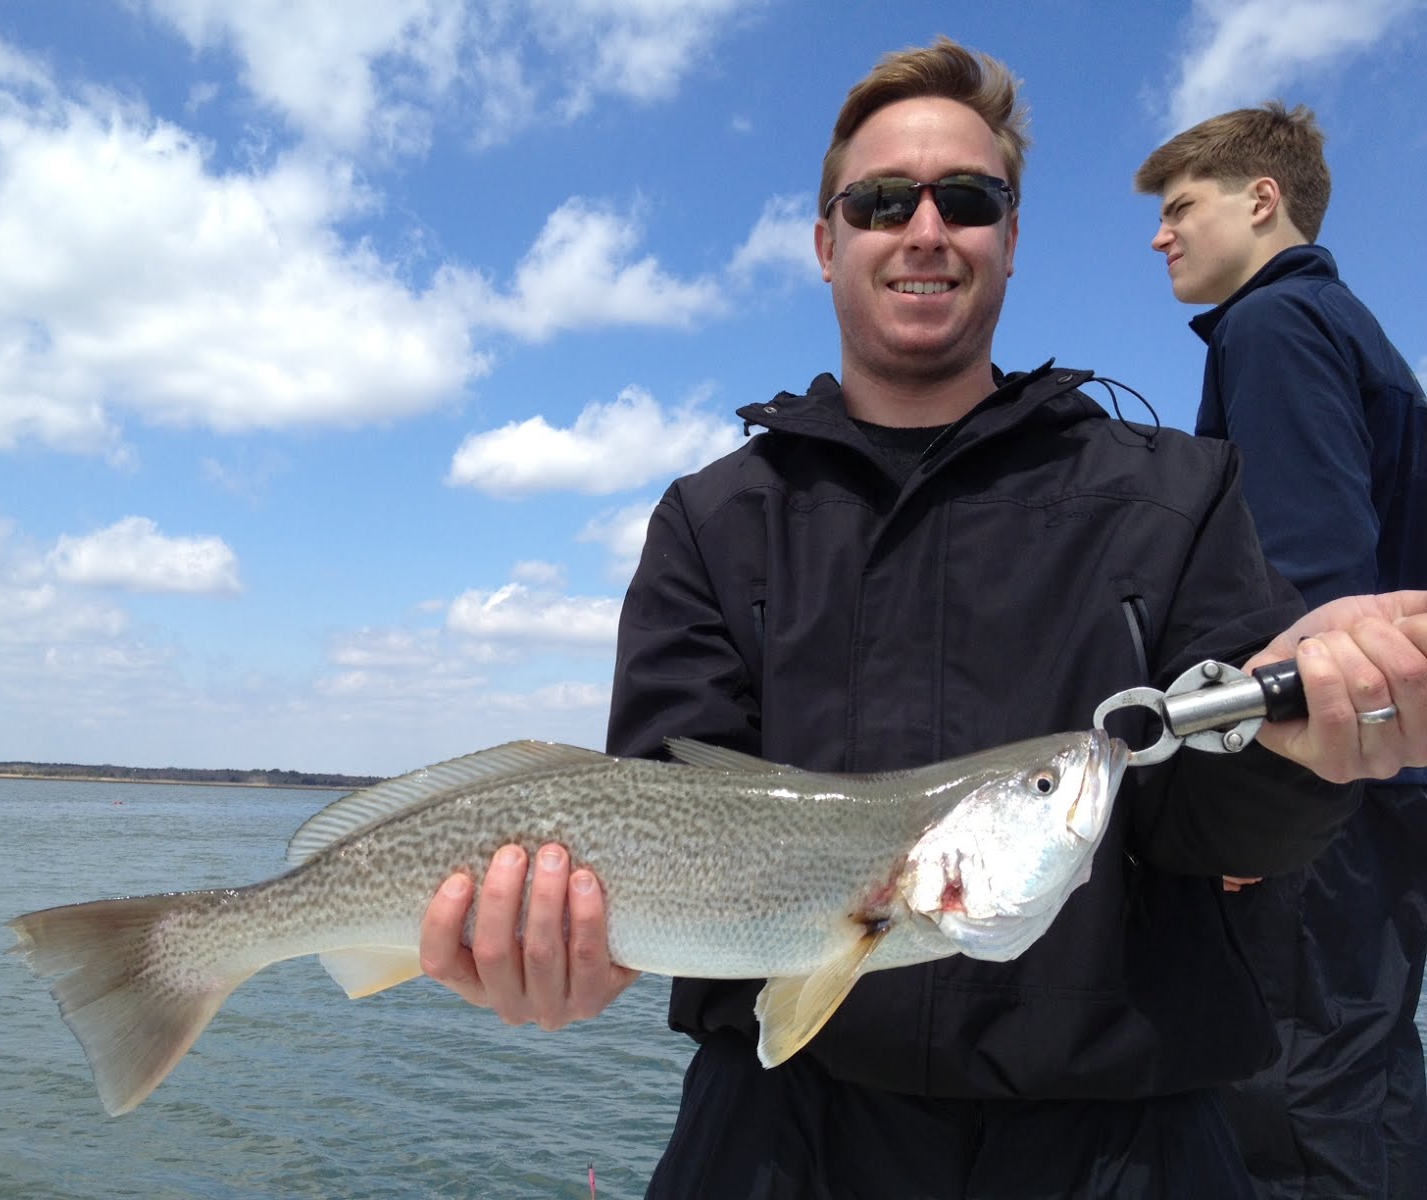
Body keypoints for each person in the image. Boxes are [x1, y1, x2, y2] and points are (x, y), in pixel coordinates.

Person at [419, 40, 1427, 1197]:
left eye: (971, 198)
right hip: (774, 1138)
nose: (926, 226)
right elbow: (654, 808)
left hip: (1126, 1146)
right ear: (825, 240)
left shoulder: (1182, 493)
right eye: (883, 199)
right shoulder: (710, 520)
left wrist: (1311, 758)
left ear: (1010, 237)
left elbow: (1212, 827)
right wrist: (562, 950)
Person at [1136, 102, 1427, 1199]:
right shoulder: (1352, 329)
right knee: (1363, 1079)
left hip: (1331, 792)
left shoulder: (1274, 329)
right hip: (1388, 792)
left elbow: (1310, 589)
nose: (1159, 237)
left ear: (1262, 202)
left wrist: (1261, 791)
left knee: (1291, 1110)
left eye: (1178, 209)